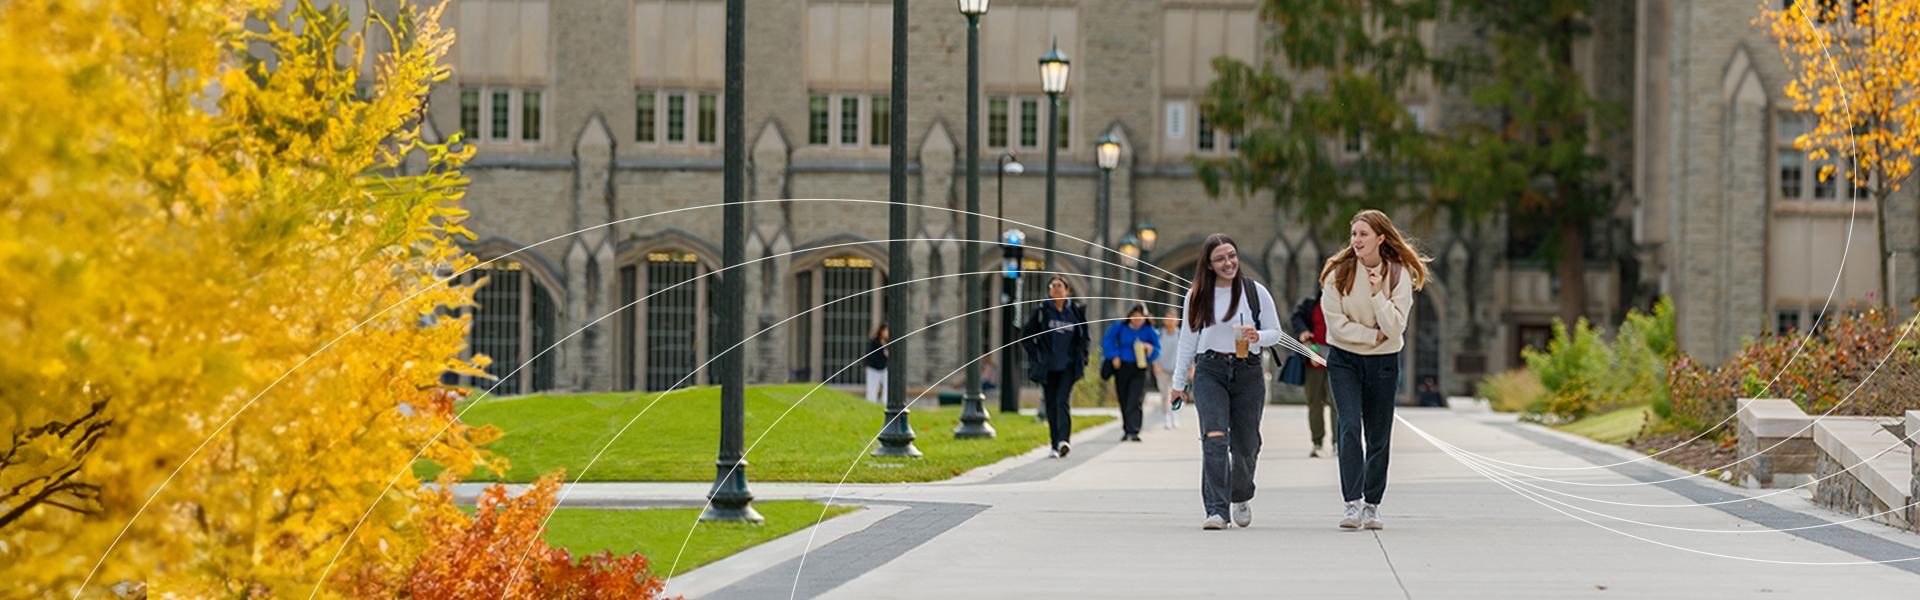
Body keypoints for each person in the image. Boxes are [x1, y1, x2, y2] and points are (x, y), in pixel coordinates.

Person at [1321, 209, 1430, 531]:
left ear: (1380, 238)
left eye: (1363, 234)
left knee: (1379, 435)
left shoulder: (1398, 274)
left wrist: (1378, 293)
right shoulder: (1336, 273)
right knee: (1350, 427)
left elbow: (1396, 328)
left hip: (1383, 362)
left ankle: (1372, 505)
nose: (1356, 240)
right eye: (1354, 234)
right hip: (1344, 361)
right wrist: (1373, 335)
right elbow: (1336, 326)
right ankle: (1351, 503)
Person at [1169, 234, 1283, 530]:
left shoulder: (1255, 292)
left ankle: (1240, 495)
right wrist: (1178, 382)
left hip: (1248, 372)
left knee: (1246, 445)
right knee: (1214, 438)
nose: (1228, 262)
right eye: (1220, 258)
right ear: (1208, 264)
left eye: (1232, 255)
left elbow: (1276, 332)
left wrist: (1259, 336)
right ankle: (1217, 511)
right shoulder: (1197, 295)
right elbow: (1187, 341)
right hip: (1210, 371)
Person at [1021, 275, 1089, 458]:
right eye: (1053, 286)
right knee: (1051, 404)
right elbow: (1026, 336)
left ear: (1067, 291)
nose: (1056, 289)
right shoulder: (1042, 311)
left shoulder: (1075, 312)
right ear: (1049, 291)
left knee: (1062, 401)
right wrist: (1037, 355)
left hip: (1068, 366)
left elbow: (1084, 339)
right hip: (1048, 367)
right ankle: (1054, 444)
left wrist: (1083, 358)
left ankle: (1063, 441)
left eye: (1060, 286)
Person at [1102, 303, 1160, 442]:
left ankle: (1134, 430)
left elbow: (1157, 349)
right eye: (1134, 319)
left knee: (1135, 399)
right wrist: (1114, 355)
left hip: (1139, 368)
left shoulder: (1149, 330)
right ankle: (1126, 428)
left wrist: (1149, 349)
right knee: (1124, 399)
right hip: (1122, 366)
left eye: (1140, 319)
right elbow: (1107, 341)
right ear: (1129, 317)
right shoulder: (1119, 326)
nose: (1137, 322)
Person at [1288, 291, 1335, 458]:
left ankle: (1338, 443)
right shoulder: (1310, 304)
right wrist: (1303, 332)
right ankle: (1317, 443)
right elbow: (1296, 318)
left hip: (1337, 359)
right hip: (1314, 357)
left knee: (1337, 402)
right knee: (1315, 401)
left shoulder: (1345, 302)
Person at [1153, 308, 1181, 429]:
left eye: (1173, 318)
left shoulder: (1180, 334)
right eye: (1168, 318)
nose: (1170, 321)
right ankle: (1166, 417)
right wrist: (1156, 366)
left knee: (1176, 393)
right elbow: (1154, 352)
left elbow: (1186, 352)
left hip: (1177, 369)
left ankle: (1174, 414)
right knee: (1165, 394)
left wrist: (1190, 368)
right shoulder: (1158, 334)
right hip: (1162, 368)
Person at [865, 324, 890, 403]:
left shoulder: (889, 342)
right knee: (872, 389)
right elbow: (870, 355)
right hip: (874, 368)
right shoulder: (875, 342)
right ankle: (871, 403)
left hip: (884, 368)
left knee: (887, 387)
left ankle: (885, 402)